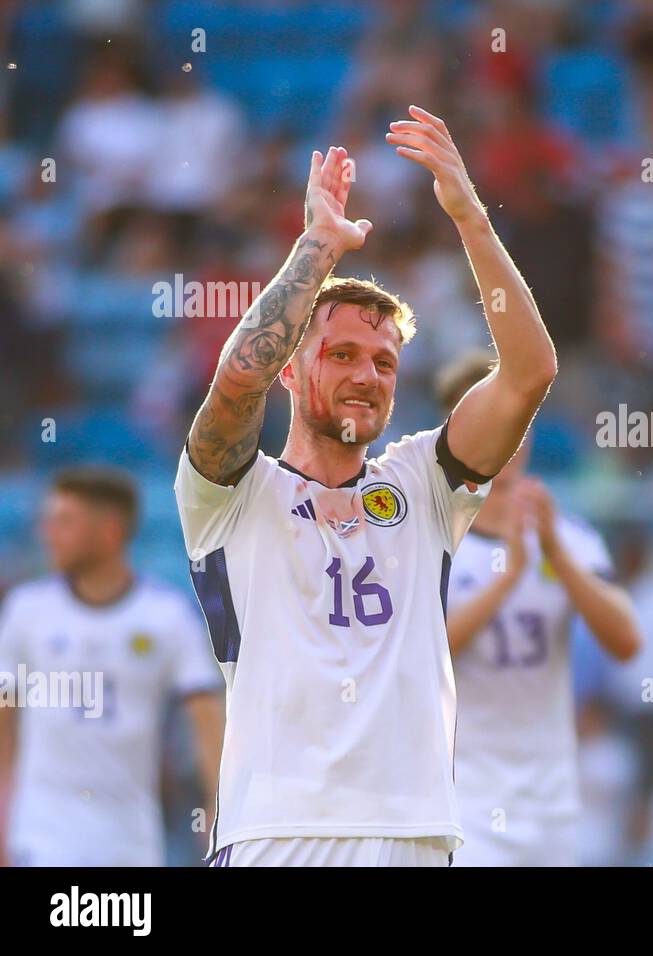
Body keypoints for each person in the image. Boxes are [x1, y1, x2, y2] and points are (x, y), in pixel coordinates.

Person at [175, 107, 557, 867]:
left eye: (383, 364)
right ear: (293, 368)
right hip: (275, 835)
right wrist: (318, 245)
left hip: (414, 834)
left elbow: (530, 373)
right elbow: (239, 373)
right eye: (341, 354)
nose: (365, 376)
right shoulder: (227, 493)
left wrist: (470, 217)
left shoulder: (423, 483)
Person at [438, 350, 640, 866]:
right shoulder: (436, 540)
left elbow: (626, 642)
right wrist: (505, 581)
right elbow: (424, 653)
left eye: (517, 424)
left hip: (552, 799)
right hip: (466, 798)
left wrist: (557, 556)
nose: (508, 442)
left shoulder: (569, 536)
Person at [0, 468, 223, 866]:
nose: (48, 533)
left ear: (110, 531)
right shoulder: (26, 611)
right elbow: (4, 717)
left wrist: (217, 802)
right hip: (40, 838)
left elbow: (206, 714)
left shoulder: (166, 616)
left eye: (64, 521)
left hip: (131, 841)